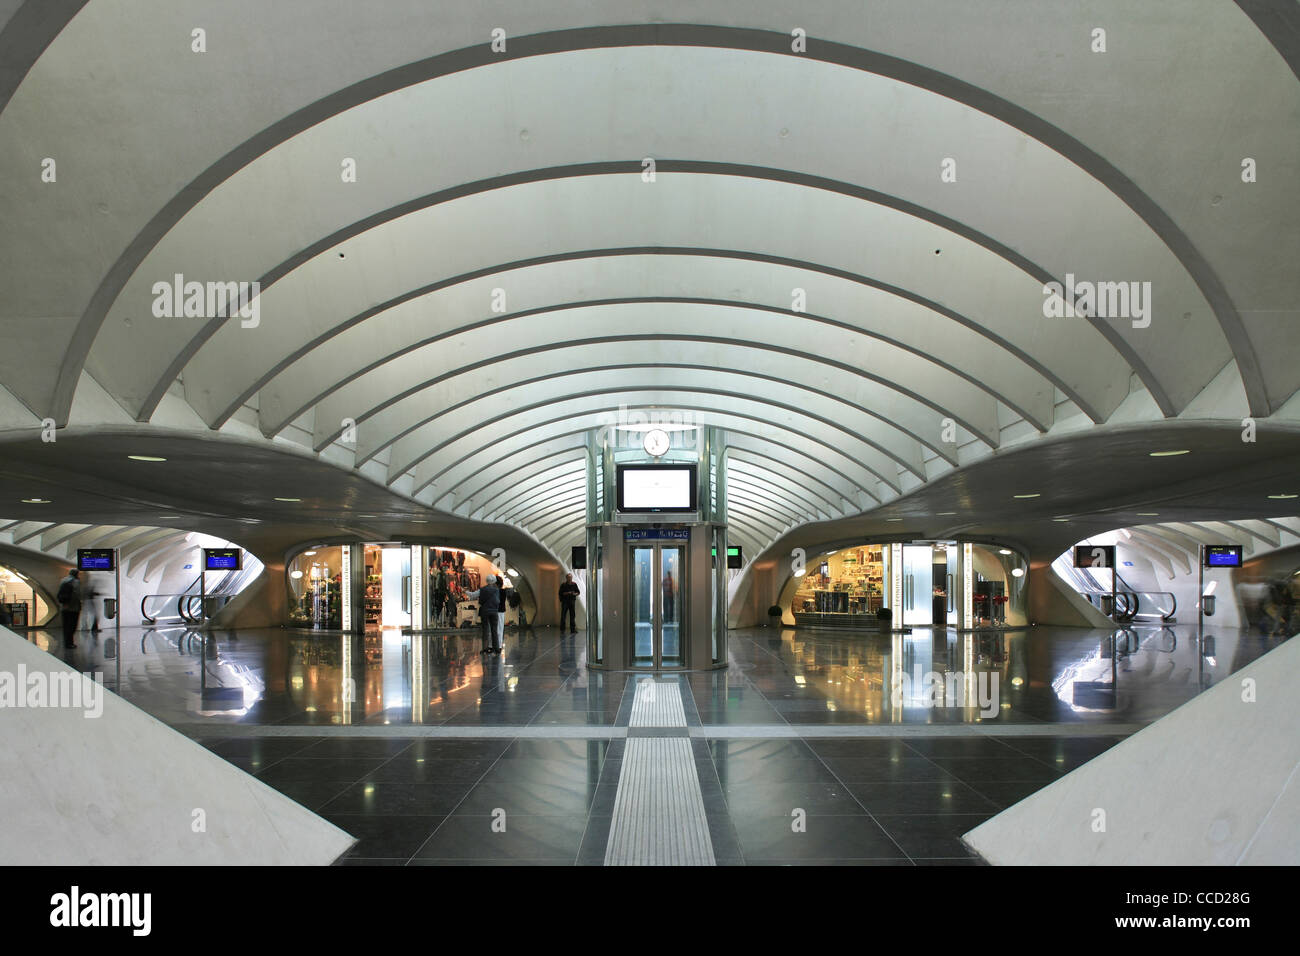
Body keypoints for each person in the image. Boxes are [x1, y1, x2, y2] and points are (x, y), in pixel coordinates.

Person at [465, 574, 503, 655]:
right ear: (494, 581)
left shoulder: (482, 590)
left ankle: (485, 648)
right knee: (494, 630)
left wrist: (465, 591)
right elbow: (498, 601)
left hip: (485, 612)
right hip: (494, 612)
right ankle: (496, 648)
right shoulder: (497, 590)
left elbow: (472, 595)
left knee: (485, 630)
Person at [56, 568, 82, 649]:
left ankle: (66, 643)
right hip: (73, 607)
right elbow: (78, 594)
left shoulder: (63, 580)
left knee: (66, 625)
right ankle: (70, 643)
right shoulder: (76, 582)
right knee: (72, 625)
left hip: (64, 607)